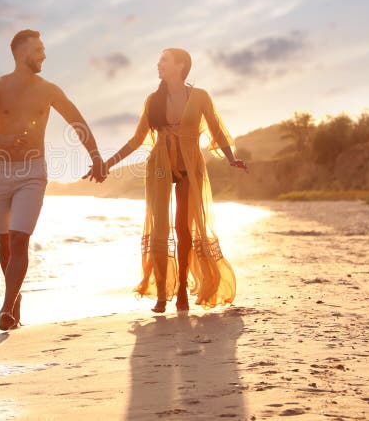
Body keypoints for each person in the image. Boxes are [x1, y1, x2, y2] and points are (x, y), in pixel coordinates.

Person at [85, 48, 247, 312]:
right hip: (160, 166)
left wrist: (231, 158)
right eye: (159, 60)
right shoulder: (153, 100)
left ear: (181, 65)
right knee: (160, 227)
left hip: (189, 165)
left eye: (164, 60)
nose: (158, 64)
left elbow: (216, 129)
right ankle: (162, 292)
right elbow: (137, 140)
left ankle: (182, 286)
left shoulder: (200, 96)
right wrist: (107, 164)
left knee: (183, 227)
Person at [0, 29, 105, 331]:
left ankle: (5, 309)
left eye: (43, 49)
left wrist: (95, 156)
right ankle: (15, 302)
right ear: (20, 53)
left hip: (32, 172)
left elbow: (77, 121)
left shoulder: (49, 90)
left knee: (19, 239)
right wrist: (1, 138)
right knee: (4, 241)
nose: (44, 55)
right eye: (38, 50)